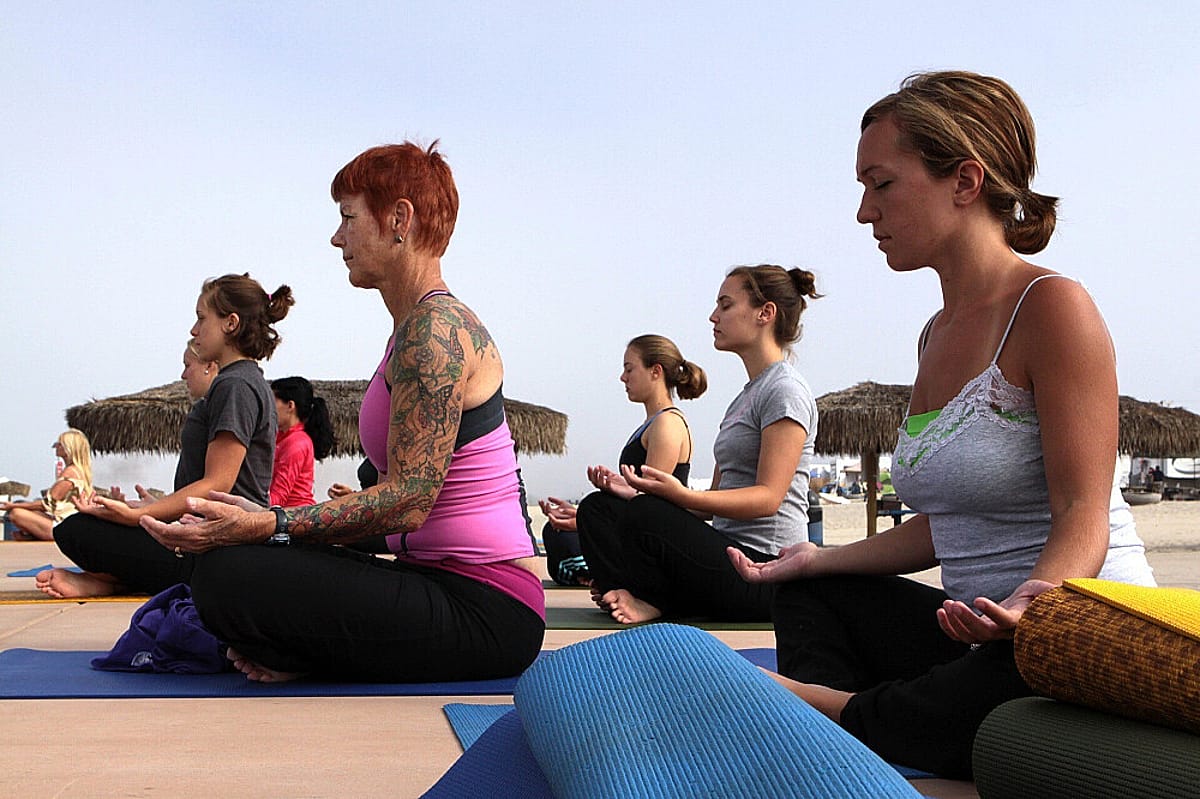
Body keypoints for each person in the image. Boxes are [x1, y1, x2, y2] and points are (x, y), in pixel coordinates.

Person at [729, 71, 1156, 779]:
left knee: (1006, 672)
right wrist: (815, 558)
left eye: (882, 183)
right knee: (808, 591)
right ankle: (857, 729)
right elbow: (946, 521)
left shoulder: (1054, 307)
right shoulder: (934, 334)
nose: (865, 212)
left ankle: (823, 715)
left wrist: (1028, 602)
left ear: (964, 180)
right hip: (972, 635)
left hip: (1068, 629)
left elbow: (1084, 512)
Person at [140, 141, 545, 684]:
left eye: (348, 218)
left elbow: (408, 502)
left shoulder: (436, 332)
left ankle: (304, 652)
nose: (337, 238)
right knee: (227, 564)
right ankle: (304, 650)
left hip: (489, 610)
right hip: (434, 580)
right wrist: (274, 535)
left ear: (399, 218)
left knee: (232, 573)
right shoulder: (410, 330)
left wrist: (268, 524)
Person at [581, 264, 820, 624]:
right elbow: (711, 508)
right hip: (728, 554)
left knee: (645, 514)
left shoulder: (784, 390)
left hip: (766, 570)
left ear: (764, 313)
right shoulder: (743, 400)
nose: (713, 316)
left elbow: (768, 499)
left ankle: (650, 596)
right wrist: (636, 493)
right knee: (599, 508)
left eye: (725, 305)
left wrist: (676, 496)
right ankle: (638, 590)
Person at [37, 274, 292, 598]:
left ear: (230, 323)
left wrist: (137, 515)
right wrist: (156, 507)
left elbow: (219, 483)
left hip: (219, 548)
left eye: (202, 318)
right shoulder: (241, 381)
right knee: (88, 528)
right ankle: (118, 581)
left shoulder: (235, 386)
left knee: (76, 531)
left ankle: (117, 583)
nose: (194, 329)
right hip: (210, 538)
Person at [541, 334, 706, 586]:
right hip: (640, 526)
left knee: (589, 513)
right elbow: (640, 496)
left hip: (657, 539)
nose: (623, 377)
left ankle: (622, 582)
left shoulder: (667, 424)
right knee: (556, 530)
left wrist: (584, 519)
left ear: (655, 372)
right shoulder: (652, 424)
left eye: (630, 369)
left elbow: (652, 507)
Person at [1, 430, 94, 541]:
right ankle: (34, 535)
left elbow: (46, 505)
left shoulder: (70, 472)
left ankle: (43, 536)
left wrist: (12, 506)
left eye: (60, 444)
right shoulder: (78, 471)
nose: (56, 447)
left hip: (63, 526)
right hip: (67, 521)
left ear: (69, 448)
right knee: (31, 512)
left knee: (16, 514)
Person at [269, 376, 335, 507]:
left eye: (273, 401)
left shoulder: (296, 443)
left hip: (293, 518)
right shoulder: (283, 437)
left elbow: (278, 498)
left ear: (290, 405)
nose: (269, 407)